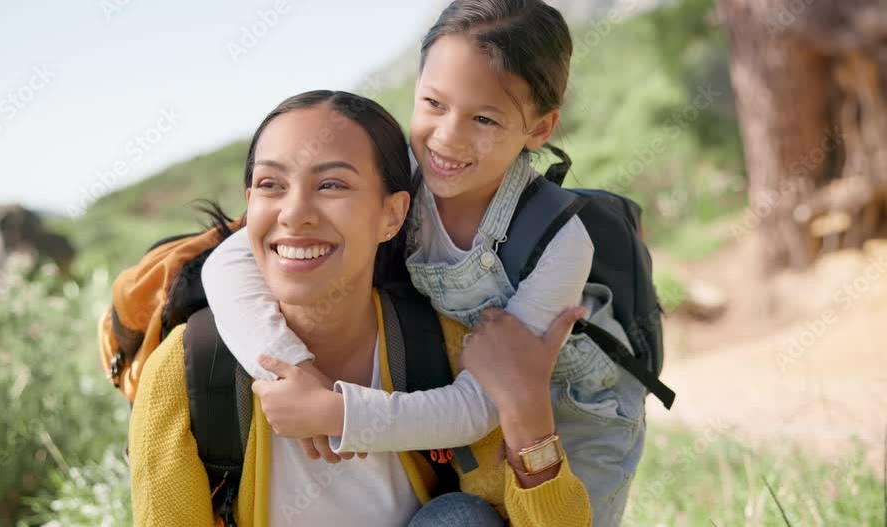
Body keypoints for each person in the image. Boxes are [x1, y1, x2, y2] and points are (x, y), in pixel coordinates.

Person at [202, 1, 646, 525]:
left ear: (540, 128)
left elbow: (482, 403)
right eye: (433, 103)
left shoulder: (559, 241)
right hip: (457, 387)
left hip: (572, 408)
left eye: (484, 118)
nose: (447, 138)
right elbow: (225, 264)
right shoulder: (396, 178)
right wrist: (291, 370)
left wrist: (340, 413)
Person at [129, 90, 591, 526]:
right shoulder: (189, 370)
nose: (295, 213)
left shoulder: (439, 351)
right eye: (271, 184)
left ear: (392, 215)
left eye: (331, 184)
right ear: (250, 206)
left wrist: (531, 427)